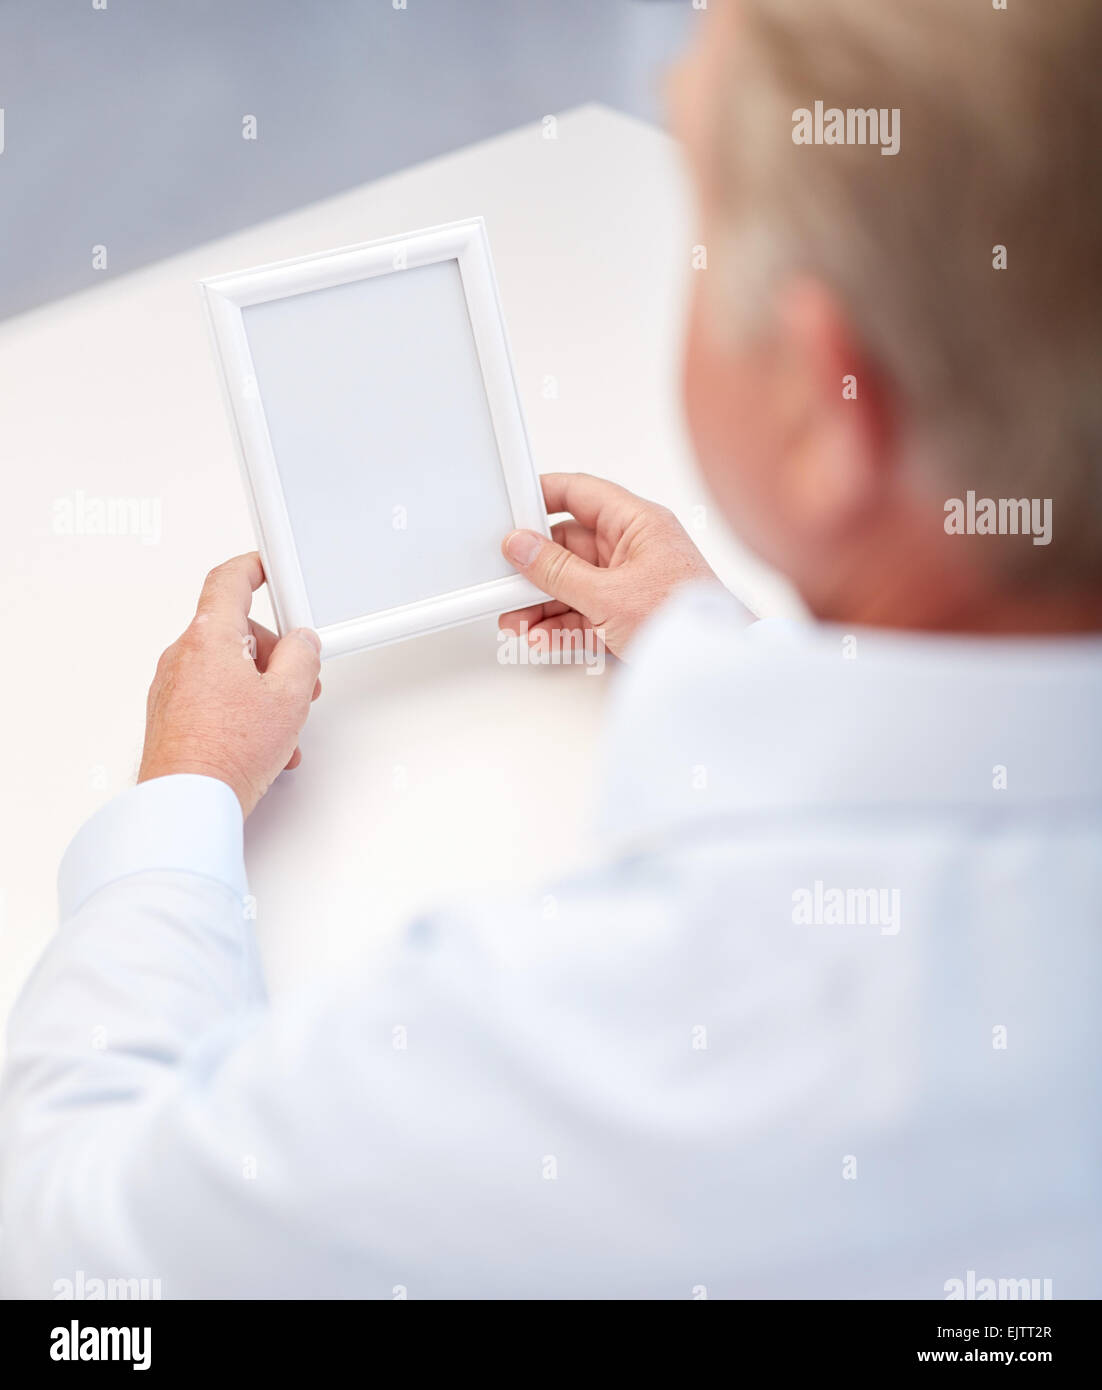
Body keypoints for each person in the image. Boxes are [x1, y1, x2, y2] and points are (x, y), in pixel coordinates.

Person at [2, 0, 1100, 1298]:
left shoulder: (567, 1048)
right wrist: (716, 653)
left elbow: (79, 1266)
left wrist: (176, 807)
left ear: (822, 403)